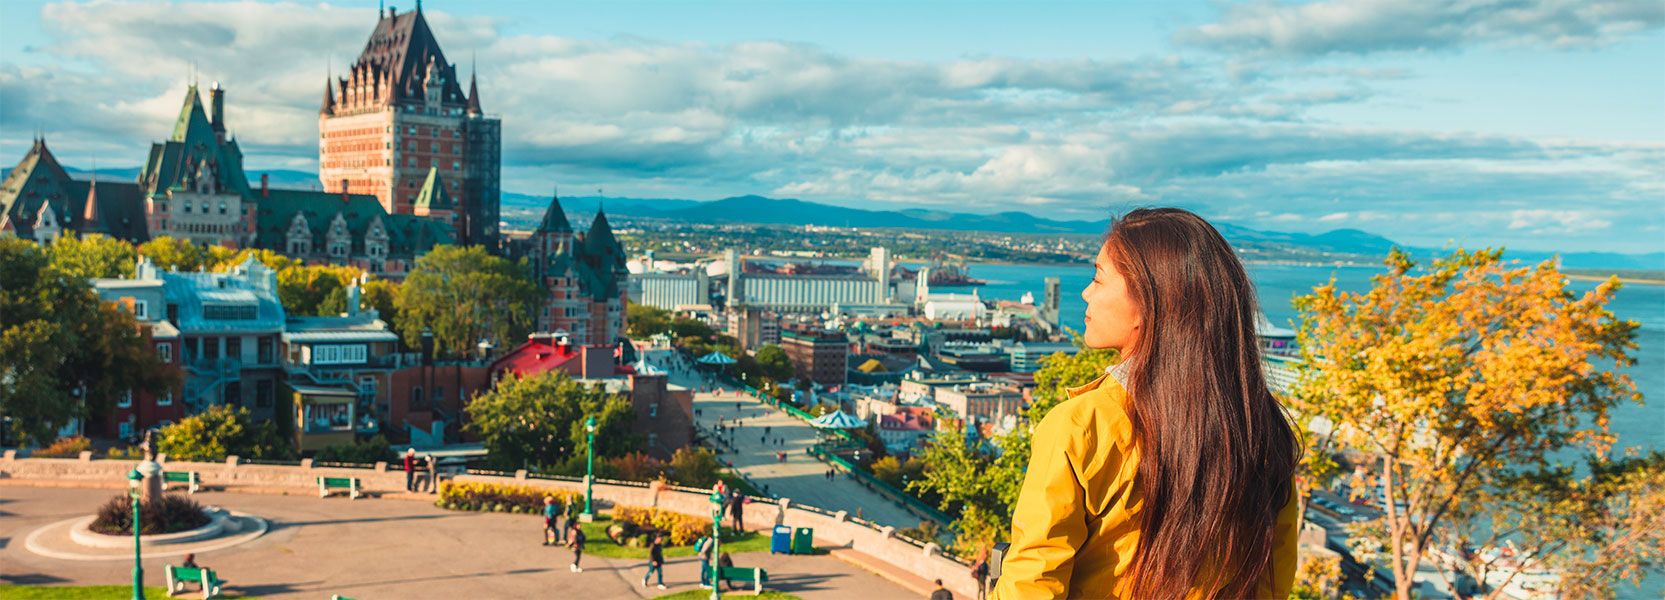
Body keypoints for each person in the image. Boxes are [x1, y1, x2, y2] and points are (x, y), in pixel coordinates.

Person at [996, 208, 1300, 599]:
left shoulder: (1082, 426)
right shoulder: (1260, 427)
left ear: (1147, 304)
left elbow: (1033, 581)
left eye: (1097, 278)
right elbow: (1272, 577)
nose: (1086, 293)